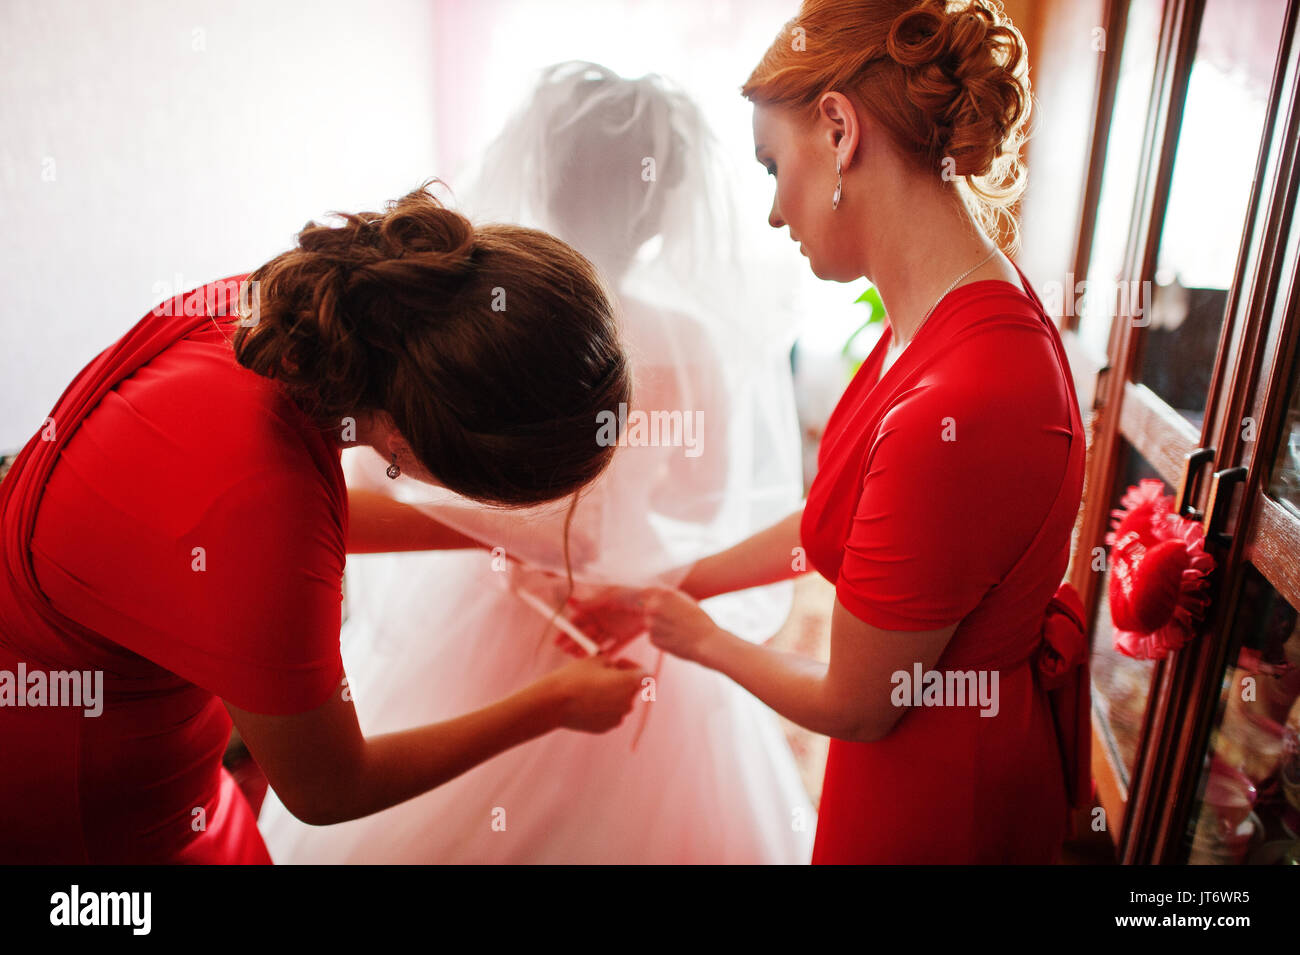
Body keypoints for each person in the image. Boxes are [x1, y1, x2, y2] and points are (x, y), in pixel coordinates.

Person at [573, 0, 1092, 864]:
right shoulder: (944, 311)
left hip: (934, 796)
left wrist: (701, 641)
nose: (776, 212)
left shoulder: (959, 400)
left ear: (840, 130)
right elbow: (845, 520)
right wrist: (683, 582)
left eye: (773, 166)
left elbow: (857, 702)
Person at [257, 62, 816, 863]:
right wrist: (583, 546)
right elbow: (704, 499)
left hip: (504, 607)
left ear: (544, 179)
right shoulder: (688, 342)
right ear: (660, 213)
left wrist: (506, 533)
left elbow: (367, 481)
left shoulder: (474, 329)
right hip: (614, 602)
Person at [0, 184, 648, 864]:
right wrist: (553, 704)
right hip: (92, 800)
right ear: (414, 444)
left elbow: (277, 531)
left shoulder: (283, 312)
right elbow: (328, 787)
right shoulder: (257, 497)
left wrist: (496, 535)